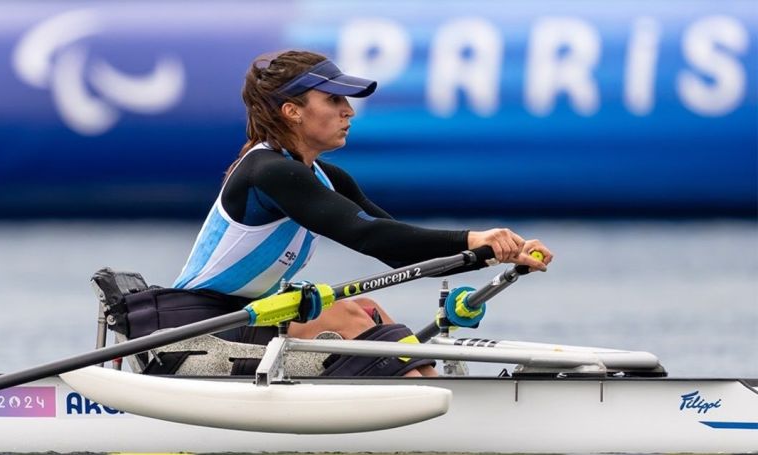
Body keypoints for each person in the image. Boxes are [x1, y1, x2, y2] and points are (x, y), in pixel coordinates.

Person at [171, 50, 553, 377]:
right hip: (195, 328)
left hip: (247, 316)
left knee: (367, 309)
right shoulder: (269, 171)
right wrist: (473, 239)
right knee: (348, 317)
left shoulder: (324, 176)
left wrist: (493, 253)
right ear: (292, 111)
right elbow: (366, 234)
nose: (348, 111)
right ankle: (430, 405)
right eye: (334, 101)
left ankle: (430, 387)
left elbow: (395, 248)